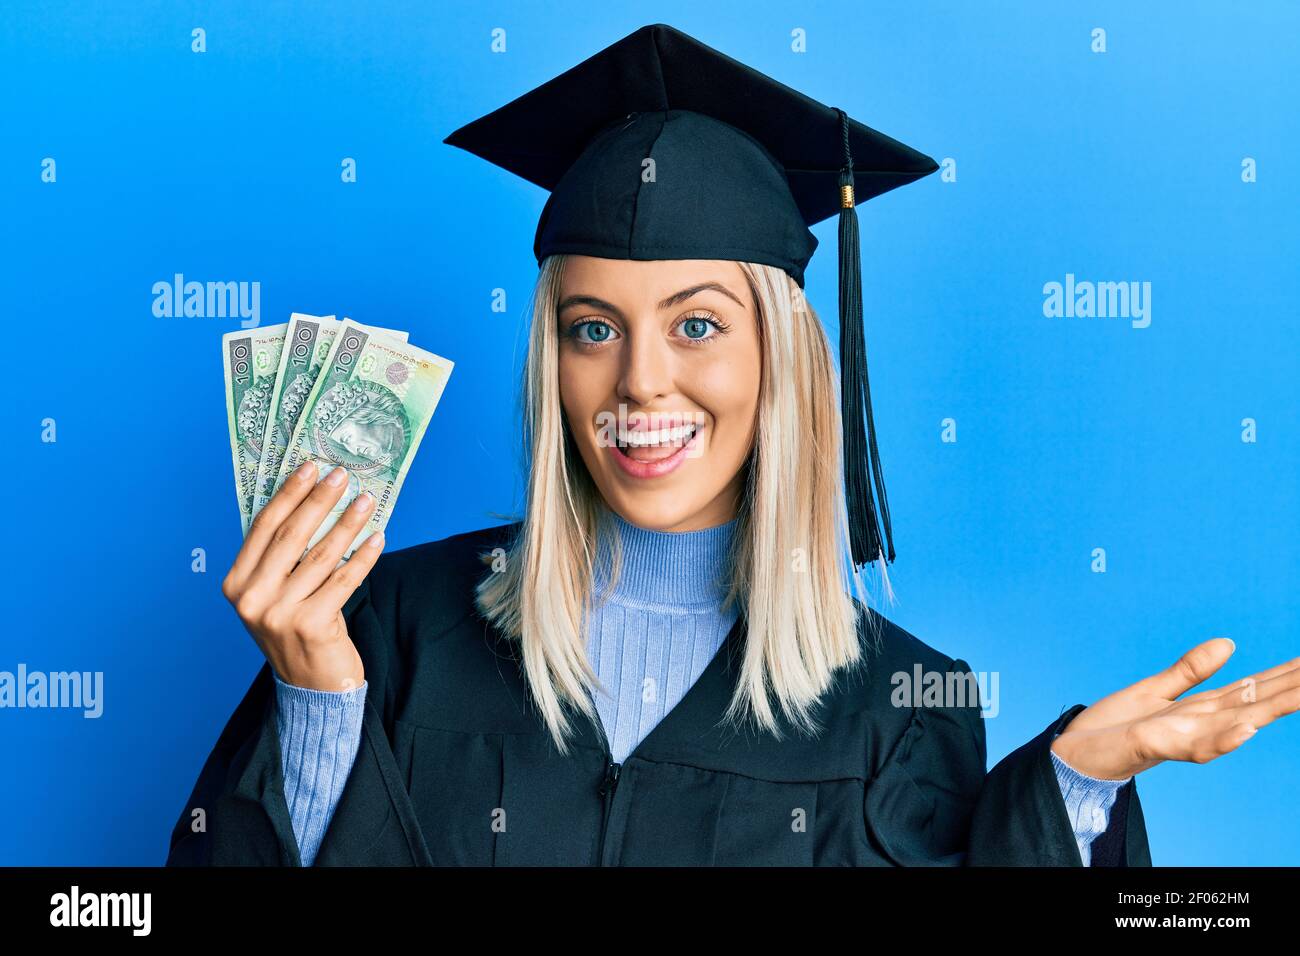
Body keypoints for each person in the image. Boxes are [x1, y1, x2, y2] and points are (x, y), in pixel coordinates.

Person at [167, 24, 1299, 868]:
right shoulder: (389, 624)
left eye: (697, 324)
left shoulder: (905, 705)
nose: (640, 378)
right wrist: (317, 701)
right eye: (591, 328)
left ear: (783, 357)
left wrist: (1071, 791)